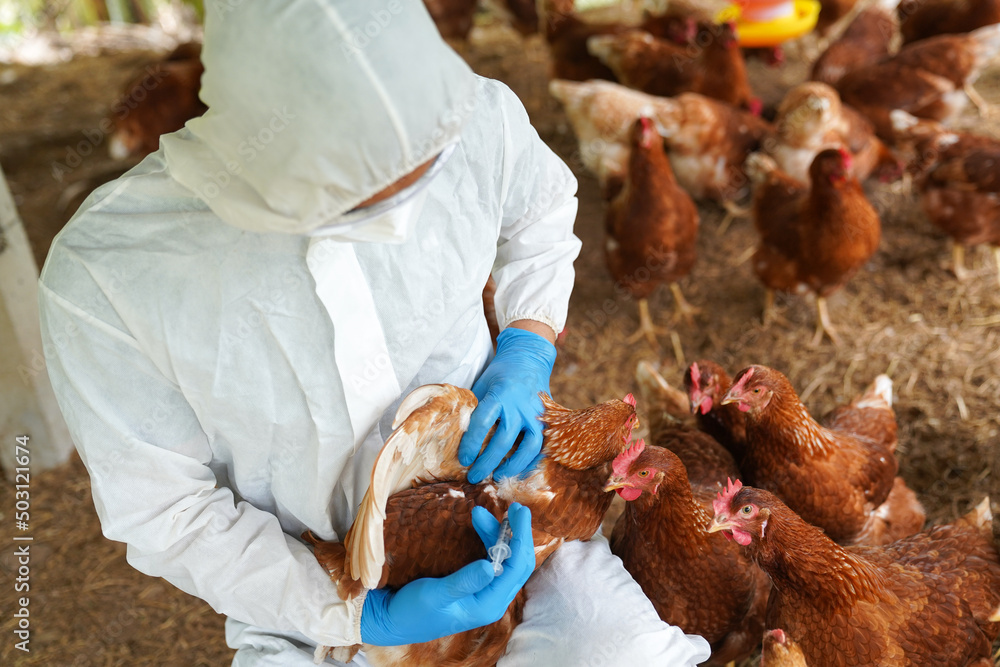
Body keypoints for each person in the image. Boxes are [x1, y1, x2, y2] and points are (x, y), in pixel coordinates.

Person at [38, 1, 711, 665]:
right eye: (368, 201)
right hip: (312, 586)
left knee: (624, 651)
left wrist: (527, 347)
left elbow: (538, 213)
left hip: (508, 519)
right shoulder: (109, 276)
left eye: (427, 172)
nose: (403, 209)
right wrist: (362, 614)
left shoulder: (463, 110)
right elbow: (167, 511)